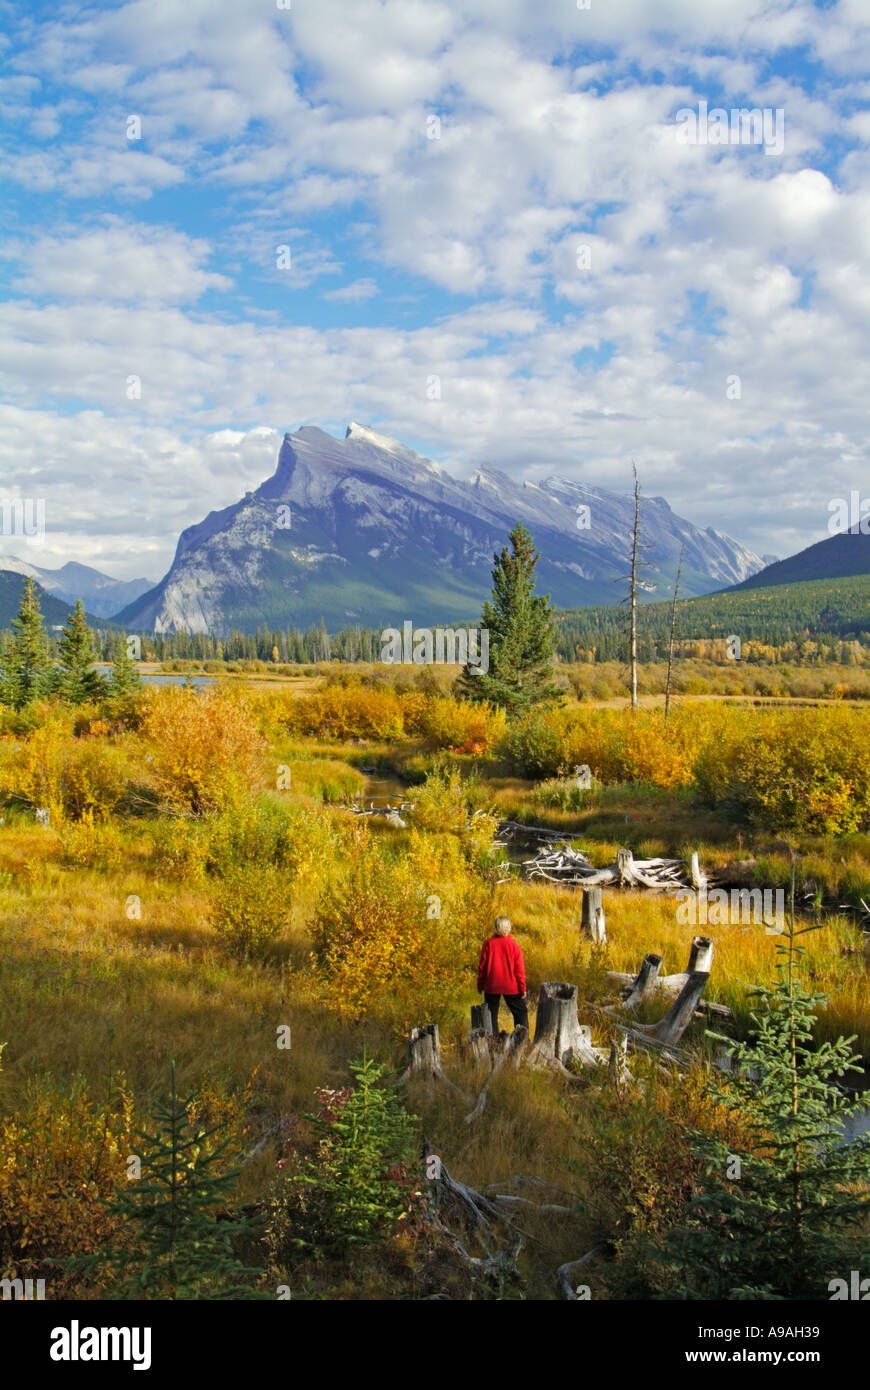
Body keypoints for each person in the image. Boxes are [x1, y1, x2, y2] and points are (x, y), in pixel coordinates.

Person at [476, 916, 528, 1034]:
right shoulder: (513, 946)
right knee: (520, 1012)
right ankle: (522, 1039)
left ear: (495, 928)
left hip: (491, 985)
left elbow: (482, 968)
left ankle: (493, 1041)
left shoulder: (488, 944)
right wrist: (522, 988)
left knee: (491, 1014)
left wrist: (480, 985)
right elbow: (519, 970)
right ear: (508, 928)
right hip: (511, 986)